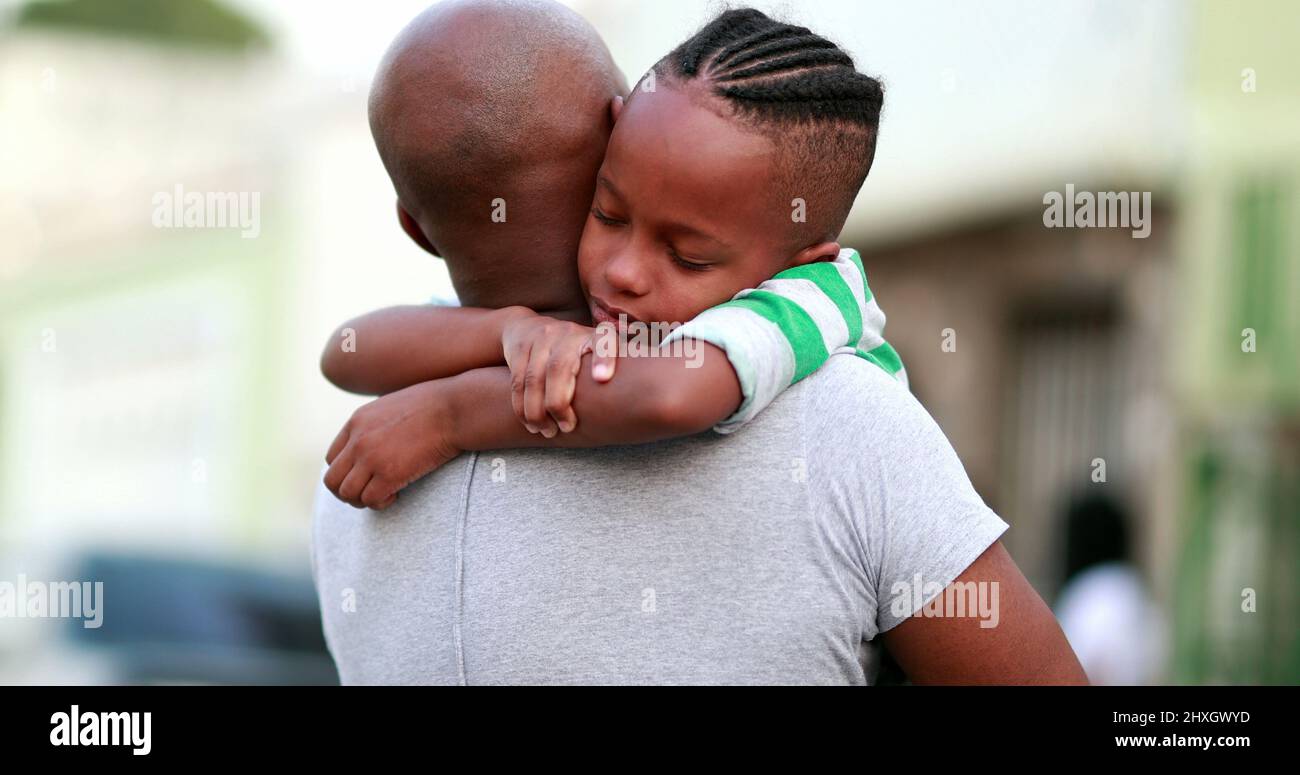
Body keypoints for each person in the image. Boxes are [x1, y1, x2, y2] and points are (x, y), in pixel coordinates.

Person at [310, 2, 1088, 685]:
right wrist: (513, 337)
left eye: (687, 255)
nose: (627, 271)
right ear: (616, 134)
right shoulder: (844, 436)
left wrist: (448, 415)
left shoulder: (361, 466)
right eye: (611, 214)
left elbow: (674, 391)